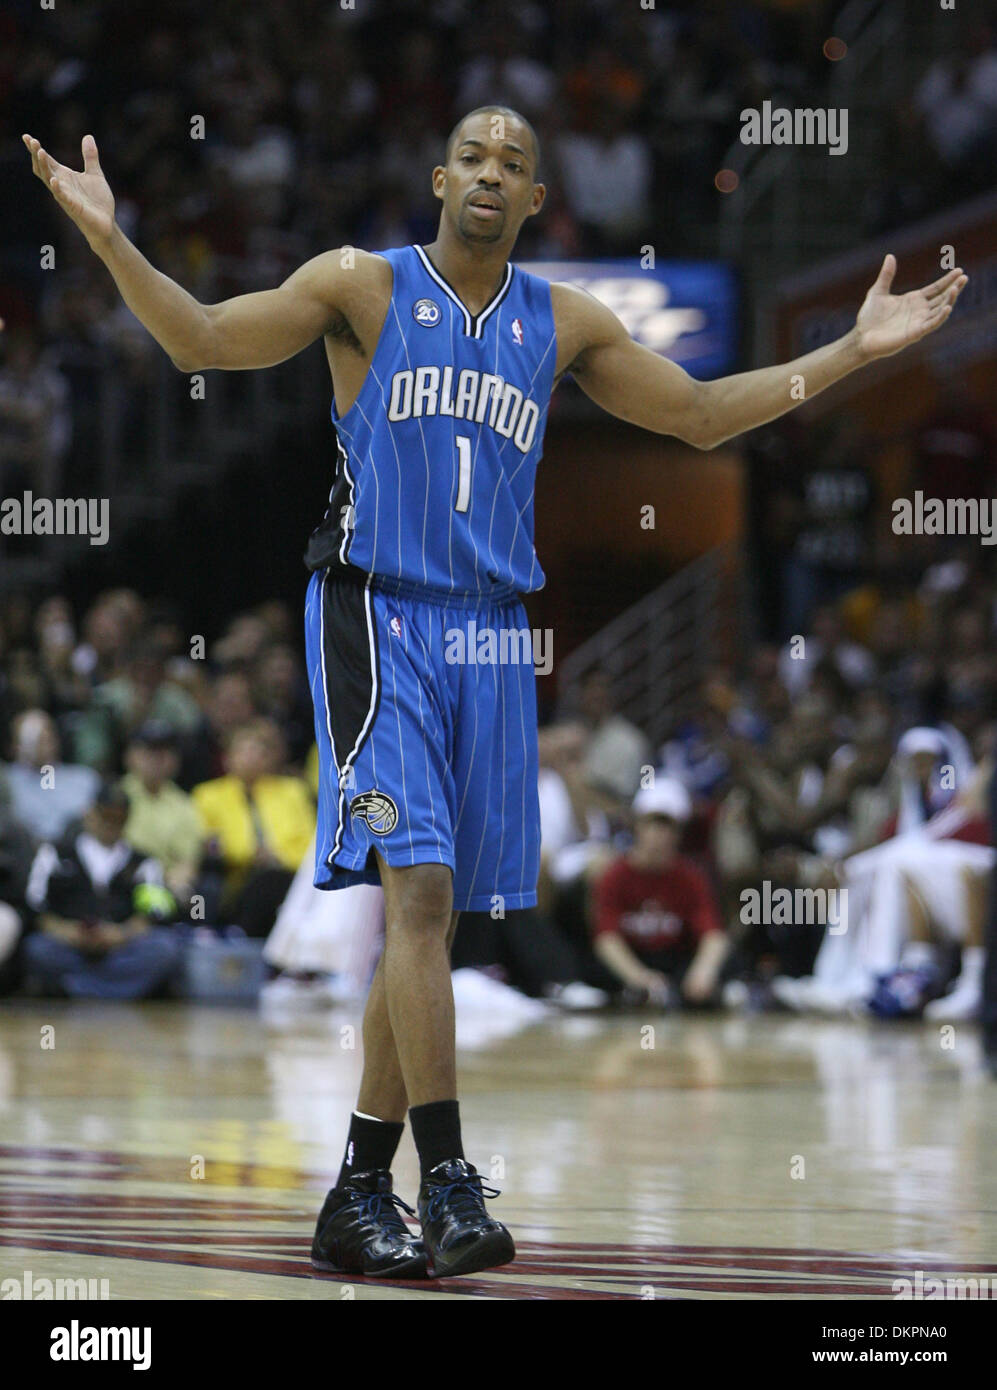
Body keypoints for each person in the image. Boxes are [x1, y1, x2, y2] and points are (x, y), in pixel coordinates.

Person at [22, 103, 967, 1279]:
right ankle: (450, 1177)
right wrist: (113, 240)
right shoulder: (360, 286)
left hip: (491, 636)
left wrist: (853, 353)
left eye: (514, 164)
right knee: (417, 899)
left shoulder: (563, 321)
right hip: (376, 608)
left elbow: (706, 415)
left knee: (433, 922)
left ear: (534, 205)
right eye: (472, 153)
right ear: (437, 176)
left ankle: (359, 1188)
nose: (490, 171)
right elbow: (204, 340)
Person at [22, 782, 180, 1000]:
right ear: (89, 813)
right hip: (70, 943)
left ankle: (78, 988)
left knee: (164, 948)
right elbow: (34, 904)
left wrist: (121, 934)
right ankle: (115, 990)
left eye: (119, 818)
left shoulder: (143, 862)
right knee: (37, 948)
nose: (111, 825)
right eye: (106, 816)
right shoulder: (56, 853)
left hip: (121, 946)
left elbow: (155, 913)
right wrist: (65, 931)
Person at [591, 778, 729, 1005]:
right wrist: (639, 977)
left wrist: (704, 971)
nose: (659, 835)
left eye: (668, 827)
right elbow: (606, 938)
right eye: (652, 825)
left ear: (679, 833)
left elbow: (713, 935)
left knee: (728, 965)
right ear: (637, 827)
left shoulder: (690, 877)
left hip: (674, 961)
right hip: (632, 959)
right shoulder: (615, 875)